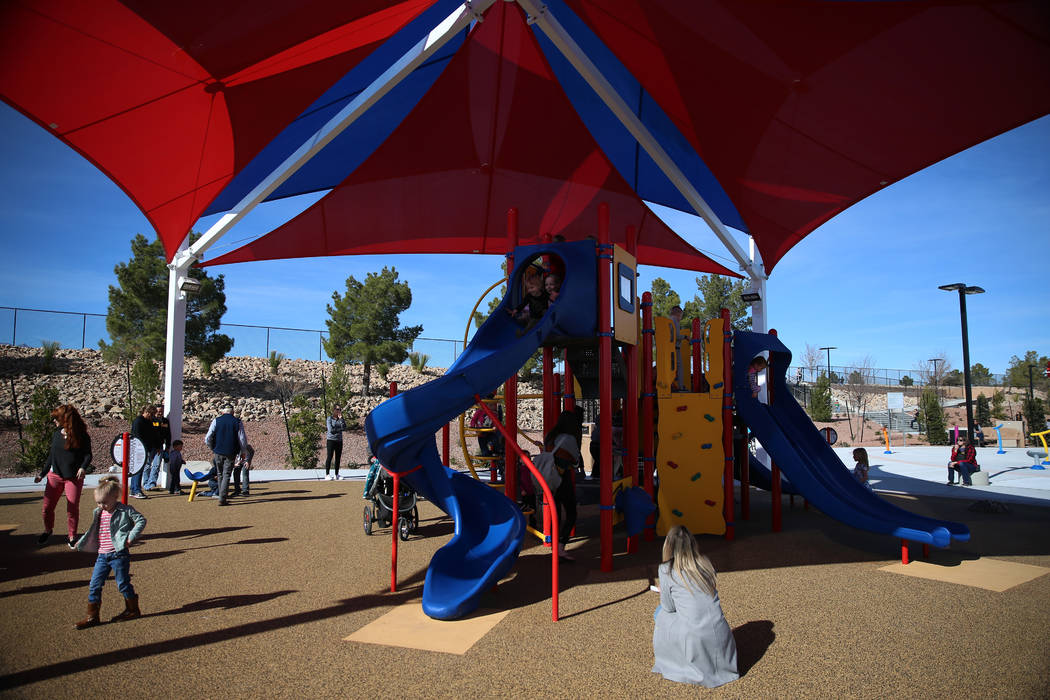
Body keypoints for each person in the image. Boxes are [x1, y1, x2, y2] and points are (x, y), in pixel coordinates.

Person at [652, 525, 739, 687]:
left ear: (668, 546)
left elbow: (669, 607)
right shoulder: (705, 564)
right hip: (718, 628)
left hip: (693, 635)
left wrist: (663, 590)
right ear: (693, 543)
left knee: (659, 613)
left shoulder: (666, 569)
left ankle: (675, 658)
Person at [74, 476, 147, 629]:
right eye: (98, 503)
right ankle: (92, 616)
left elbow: (141, 520)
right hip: (102, 555)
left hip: (118, 554)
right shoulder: (99, 512)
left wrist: (131, 537)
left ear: (115, 497)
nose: (101, 506)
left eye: (104, 502)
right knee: (94, 584)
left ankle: (132, 609)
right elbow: (94, 531)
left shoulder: (124, 510)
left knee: (123, 583)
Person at [34, 404, 92, 548]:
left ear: (65, 419)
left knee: (72, 508)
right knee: (47, 508)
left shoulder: (82, 435)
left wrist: (83, 467)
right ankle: (48, 530)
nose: (54, 421)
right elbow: (52, 455)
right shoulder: (56, 433)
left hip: (73, 478)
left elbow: (88, 455)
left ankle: (72, 535)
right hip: (54, 476)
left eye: (57, 418)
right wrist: (42, 473)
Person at [531, 433, 580, 560]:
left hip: (551, 485)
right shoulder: (569, 442)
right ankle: (560, 546)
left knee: (555, 516)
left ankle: (554, 546)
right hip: (563, 484)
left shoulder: (552, 441)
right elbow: (575, 463)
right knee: (571, 513)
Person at [205, 405, 247, 506]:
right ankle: (222, 498)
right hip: (231, 451)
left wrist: (212, 447)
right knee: (227, 474)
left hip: (218, 451)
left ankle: (221, 495)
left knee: (219, 474)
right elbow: (242, 438)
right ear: (232, 412)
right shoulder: (237, 422)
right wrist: (243, 452)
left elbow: (208, 437)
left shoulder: (216, 421)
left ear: (222, 412)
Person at [508, 265, 548, 331]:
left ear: (539, 286)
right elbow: (523, 304)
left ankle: (523, 334)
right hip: (533, 316)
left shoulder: (544, 294)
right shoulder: (529, 296)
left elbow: (551, 299)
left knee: (531, 325)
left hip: (541, 317)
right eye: (528, 288)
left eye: (532, 288)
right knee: (525, 319)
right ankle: (521, 323)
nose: (529, 290)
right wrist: (516, 310)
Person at [129, 405, 155, 499]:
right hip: (138, 449)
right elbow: (137, 436)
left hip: (145, 448)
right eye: (151, 414)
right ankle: (136, 490)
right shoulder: (138, 421)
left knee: (139, 469)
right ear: (147, 412)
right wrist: (143, 447)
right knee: (138, 470)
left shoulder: (148, 422)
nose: (152, 417)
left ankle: (134, 489)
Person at [143, 403, 170, 491]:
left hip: (160, 446)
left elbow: (168, 435)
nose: (160, 413)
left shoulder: (165, 421)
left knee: (156, 465)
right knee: (147, 465)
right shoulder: (150, 421)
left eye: (161, 411)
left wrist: (168, 446)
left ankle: (151, 483)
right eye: (158, 411)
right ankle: (145, 482)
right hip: (150, 447)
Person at [324, 406, 347, 481]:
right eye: (337, 409)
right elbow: (331, 430)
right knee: (330, 457)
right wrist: (339, 429)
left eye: (340, 409)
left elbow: (344, 427)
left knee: (338, 458)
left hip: (339, 440)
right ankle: (327, 474)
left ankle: (336, 474)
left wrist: (341, 419)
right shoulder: (329, 419)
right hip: (331, 440)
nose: (339, 411)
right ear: (334, 410)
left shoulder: (340, 419)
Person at [669, 306, 688, 391]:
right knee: (680, 367)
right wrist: (686, 337)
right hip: (675, 348)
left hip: (669, 347)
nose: (681, 318)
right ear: (678, 313)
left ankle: (671, 384)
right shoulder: (675, 321)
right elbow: (676, 335)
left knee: (671, 367)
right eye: (681, 315)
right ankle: (681, 386)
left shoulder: (669, 320)